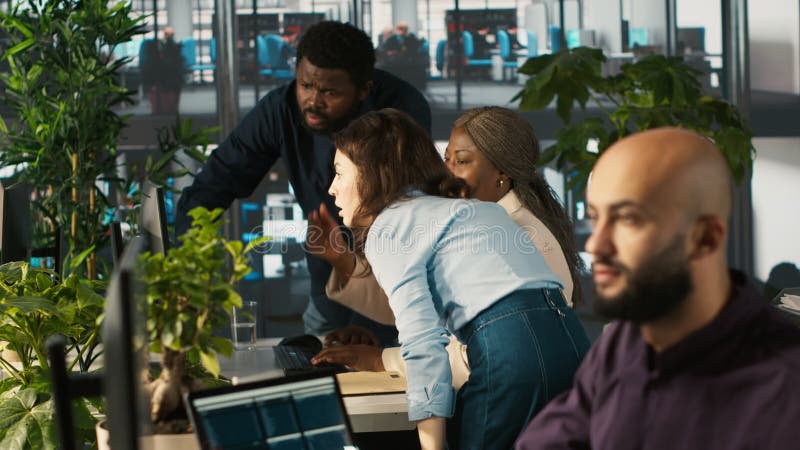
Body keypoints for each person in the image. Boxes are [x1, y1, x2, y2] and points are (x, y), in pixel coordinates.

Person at [515, 128, 800, 450]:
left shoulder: (783, 390)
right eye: (596, 217)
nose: (596, 243)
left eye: (628, 219)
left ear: (705, 238)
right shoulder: (626, 342)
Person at [326, 108, 589, 450]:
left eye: (339, 173)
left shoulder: (390, 227)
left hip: (509, 353)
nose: (332, 189)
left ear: (372, 174)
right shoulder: (480, 210)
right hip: (572, 344)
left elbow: (423, 345)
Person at [175, 22, 431, 341]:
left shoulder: (402, 113)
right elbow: (218, 180)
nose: (313, 101)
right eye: (306, 84)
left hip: (399, 297)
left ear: (363, 89)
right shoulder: (282, 109)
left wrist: (370, 330)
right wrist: (184, 261)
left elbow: (405, 225)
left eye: (330, 92)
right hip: (327, 291)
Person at [141, 26, 184, 114]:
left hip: (168, 77)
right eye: (167, 34)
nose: (168, 37)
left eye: (169, 35)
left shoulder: (170, 48)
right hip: (165, 77)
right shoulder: (160, 47)